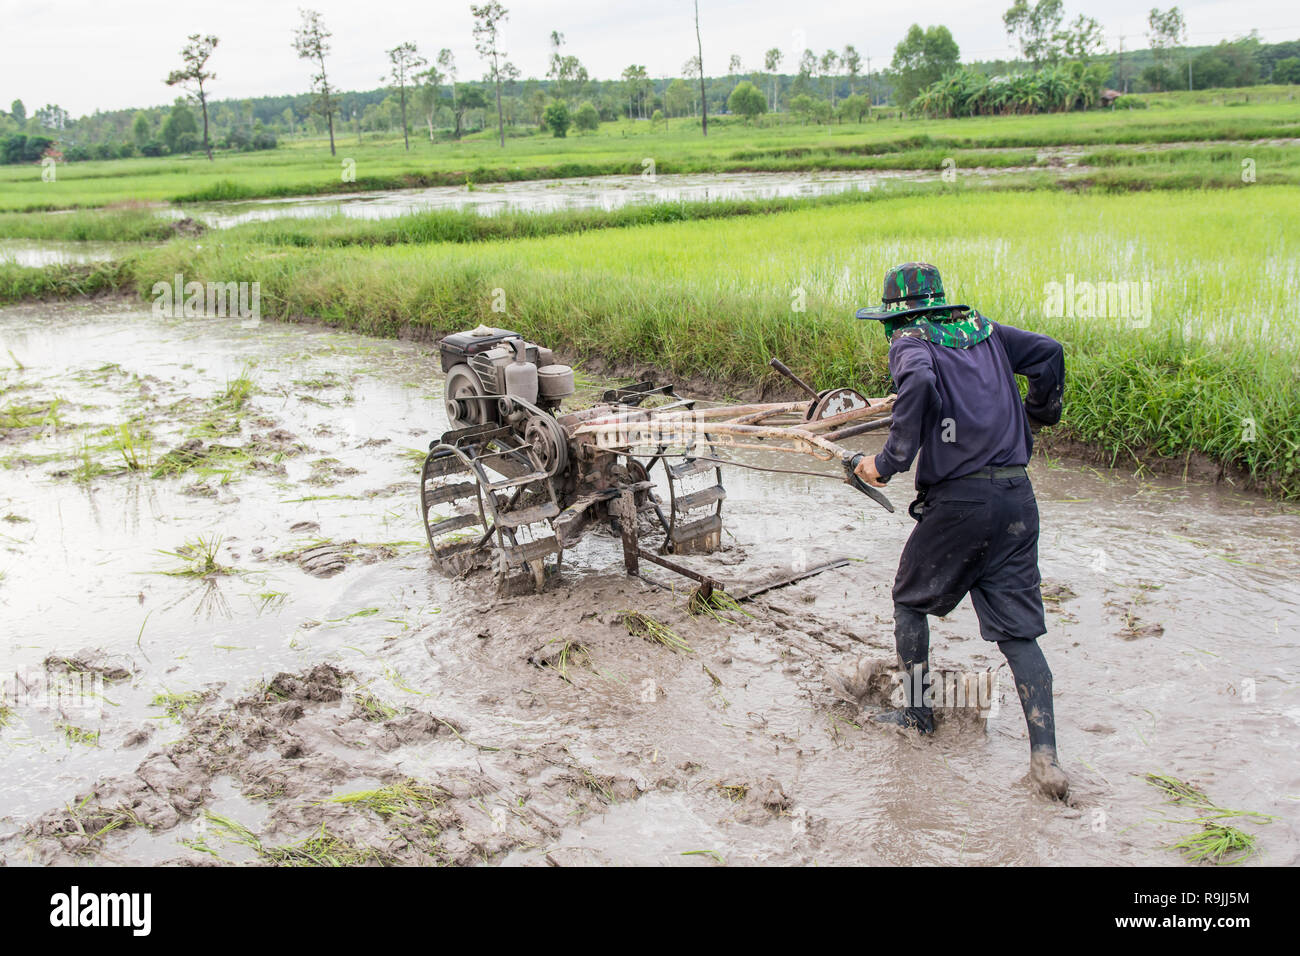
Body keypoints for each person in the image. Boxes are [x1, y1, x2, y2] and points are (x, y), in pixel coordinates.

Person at [850, 262, 1069, 800]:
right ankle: (1046, 760)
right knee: (1020, 632)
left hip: (961, 502)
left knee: (909, 601)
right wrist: (1036, 414)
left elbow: (921, 382)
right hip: (1017, 498)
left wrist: (888, 462)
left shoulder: (909, 341)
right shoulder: (986, 332)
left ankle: (918, 716)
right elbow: (1049, 353)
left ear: (897, 315)